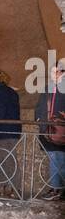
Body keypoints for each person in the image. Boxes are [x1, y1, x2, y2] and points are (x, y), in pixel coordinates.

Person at [0, 68, 22, 197]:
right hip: (13, 130)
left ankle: (12, 189)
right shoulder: (11, 91)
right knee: (7, 158)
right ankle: (3, 187)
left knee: (5, 159)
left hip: (3, 129)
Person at [35, 57, 65, 201]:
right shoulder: (48, 87)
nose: (53, 75)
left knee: (57, 158)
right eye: (52, 72)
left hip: (60, 131)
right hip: (47, 130)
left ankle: (56, 189)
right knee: (55, 158)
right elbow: (40, 105)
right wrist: (39, 120)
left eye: (56, 72)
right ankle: (57, 188)